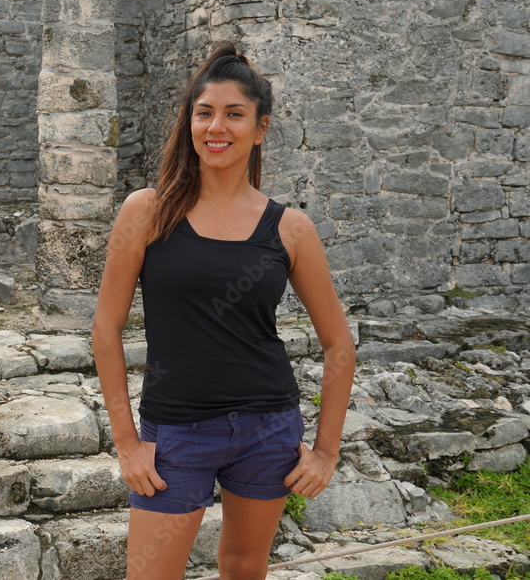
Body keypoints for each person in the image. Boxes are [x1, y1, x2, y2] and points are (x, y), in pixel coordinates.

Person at [92, 40, 357, 580]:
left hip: (268, 430)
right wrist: (126, 442)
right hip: (176, 431)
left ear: (260, 128)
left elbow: (338, 345)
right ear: (190, 122)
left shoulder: (290, 229)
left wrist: (326, 451)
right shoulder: (147, 211)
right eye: (204, 112)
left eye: (235, 114)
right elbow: (106, 326)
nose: (217, 127)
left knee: (243, 568)